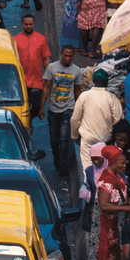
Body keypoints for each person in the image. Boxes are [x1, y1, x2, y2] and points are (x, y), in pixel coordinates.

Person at [91, 145, 130, 260]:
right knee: (110, 258)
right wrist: (127, 208)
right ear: (113, 163)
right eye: (121, 163)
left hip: (118, 224)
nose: (124, 166)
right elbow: (104, 205)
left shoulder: (117, 176)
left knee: (117, 257)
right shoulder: (106, 180)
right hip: (109, 227)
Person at [72, 69, 124, 172]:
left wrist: (74, 135)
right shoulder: (112, 98)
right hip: (105, 140)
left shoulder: (84, 96)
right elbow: (118, 120)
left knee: (88, 170)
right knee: (104, 171)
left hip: (87, 140)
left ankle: (90, 187)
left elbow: (75, 119)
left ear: (93, 82)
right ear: (107, 82)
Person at [43, 45, 81, 177]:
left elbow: (77, 91)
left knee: (64, 139)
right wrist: (42, 107)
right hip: (53, 109)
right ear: (61, 54)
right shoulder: (52, 68)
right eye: (65, 55)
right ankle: (57, 161)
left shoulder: (76, 71)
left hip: (67, 109)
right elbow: (47, 87)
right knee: (54, 140)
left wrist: (78, 110)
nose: (67, 58)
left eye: (70, 56)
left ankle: (64, 167)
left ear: (73, 56)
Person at [15, 14, 50, 123]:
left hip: (37, 81)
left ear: (34, 24)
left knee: (36, 105)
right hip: (21, 81)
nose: (28, 26)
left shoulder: (41, 39)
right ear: (22, 24)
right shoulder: (15, 40)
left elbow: (45, 58)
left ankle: (27, 121)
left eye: (30, 24)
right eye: (26, 24)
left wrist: (48, 74)